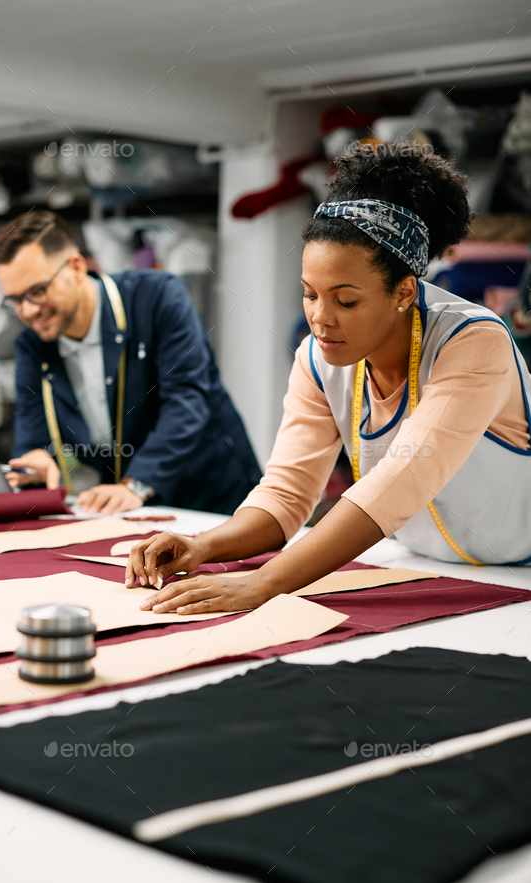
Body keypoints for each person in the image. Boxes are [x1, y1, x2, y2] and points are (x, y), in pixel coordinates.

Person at [126, 141, 531, 613]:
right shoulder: (318, 360)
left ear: (403, 292)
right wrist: (205, 546)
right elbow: (285, 493)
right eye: (309, 294)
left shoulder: (473, 341)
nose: (320, 318)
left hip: (520, 577)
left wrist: (265, 583)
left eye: (346, 300)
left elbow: (405, 478)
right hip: (425, 566)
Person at [0, 211, 260, 514]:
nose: (27, 311)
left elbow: (187, 401)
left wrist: (138, 483)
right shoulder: (32, 346)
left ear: (76, 267)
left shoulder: (157, 297)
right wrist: (35, 460)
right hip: (131, 508)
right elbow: (32, 435)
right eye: (14, 300)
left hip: (211, 494)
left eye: (37, 291)